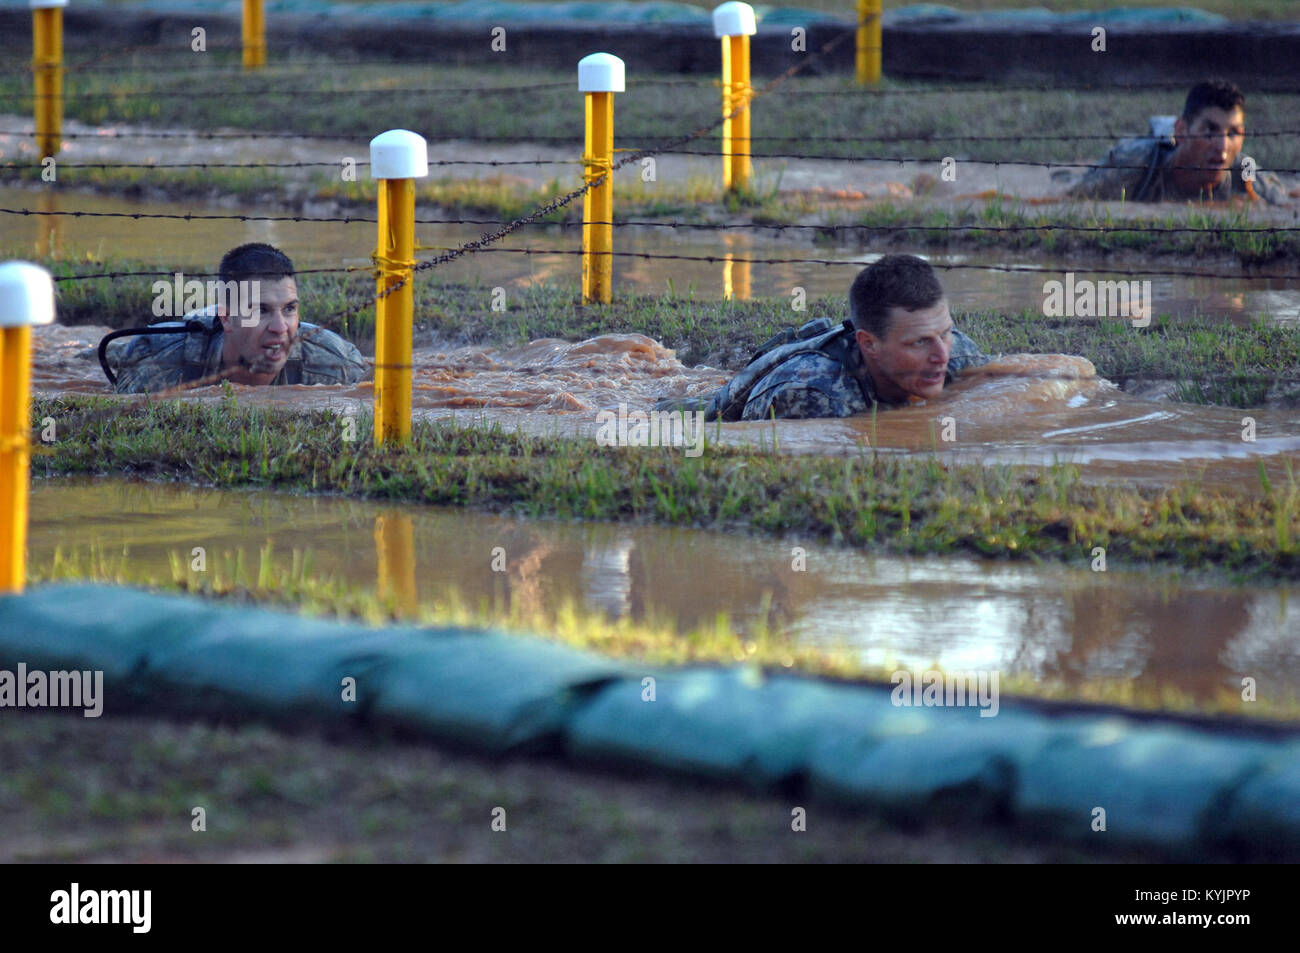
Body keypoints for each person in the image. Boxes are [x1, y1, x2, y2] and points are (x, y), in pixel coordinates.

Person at [656, 254, 991, 421]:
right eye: (919, 342)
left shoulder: (960, 355)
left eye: (944, 333)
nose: (941, 355)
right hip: (718, 408)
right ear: (870, 343)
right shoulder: (811, 397)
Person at [108, 243, 369, 393]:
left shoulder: (336, 364)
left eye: (289, 309)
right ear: (227, 318)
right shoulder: (158, 364)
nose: (281, 328)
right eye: (260, 311)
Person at [1066, 79, 1291, 205]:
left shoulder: (1247, 176)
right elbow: (1066, 198)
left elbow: (1287, 208)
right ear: (1182, 131)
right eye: (1210, 131)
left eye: (1233, 133)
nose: (1222, 147)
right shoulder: (1134, 168)